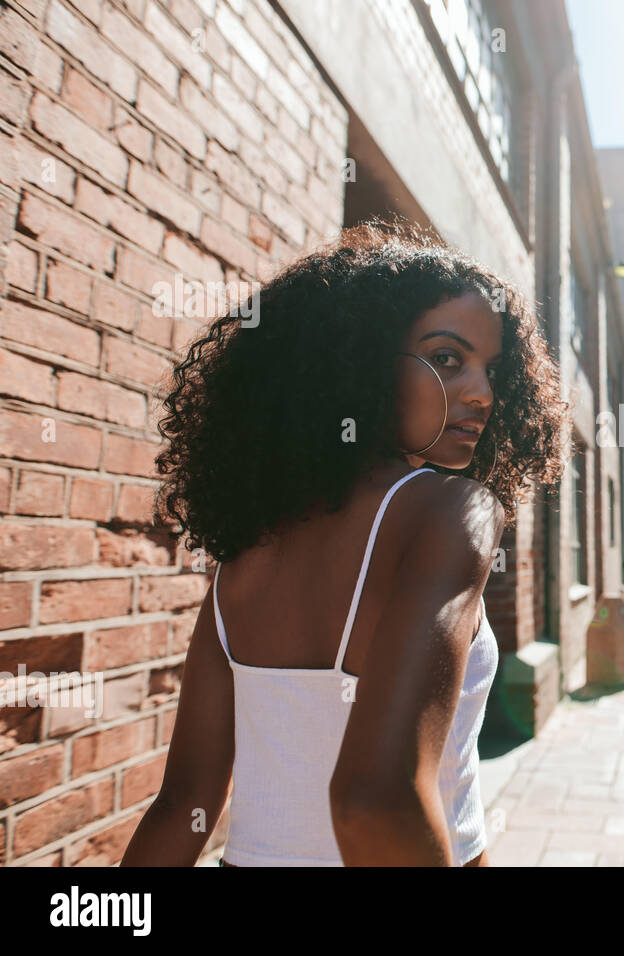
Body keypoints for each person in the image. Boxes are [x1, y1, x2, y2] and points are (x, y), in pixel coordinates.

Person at [121, 220, 570, 866]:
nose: (482, 393)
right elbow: (373, 800)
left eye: (490, 368)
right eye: (447, 358)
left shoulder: (245, 553)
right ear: (358, 360)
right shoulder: (453, 512)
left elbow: (182, 805)